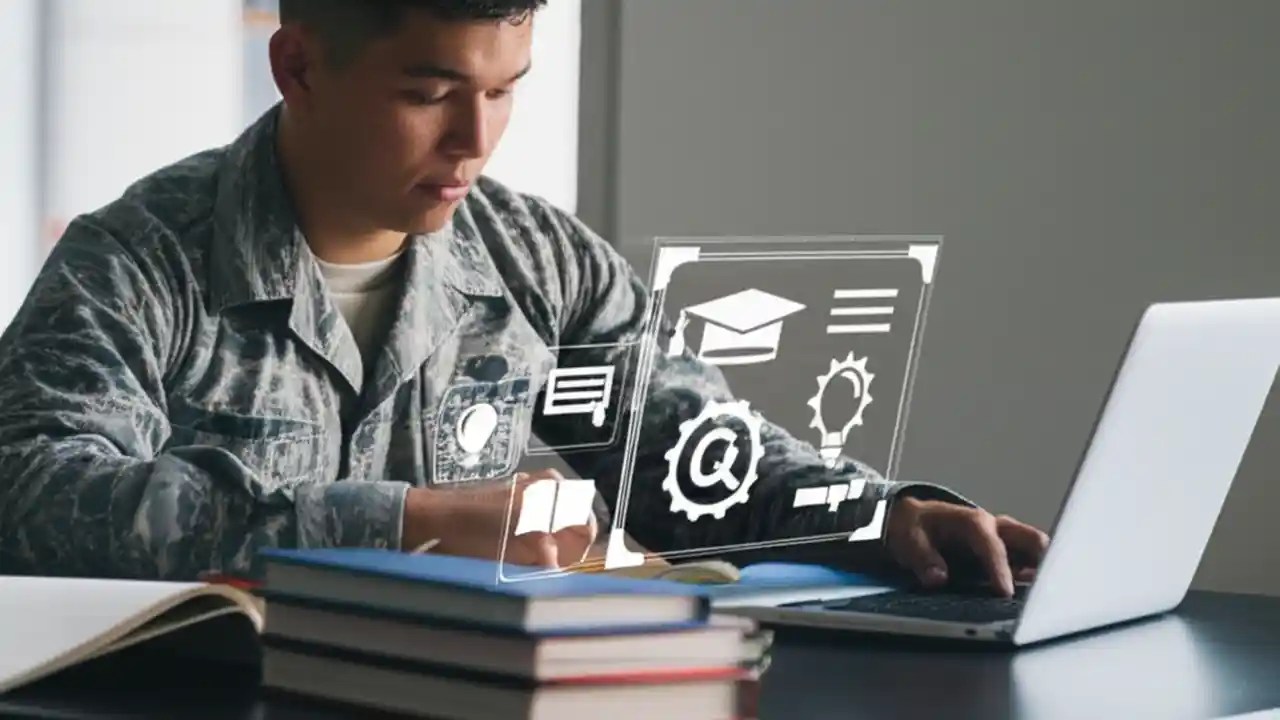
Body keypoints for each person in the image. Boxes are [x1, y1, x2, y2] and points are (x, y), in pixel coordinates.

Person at [0, 0, 1047, 596]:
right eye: (428, 94)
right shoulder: (135, 266)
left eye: (503, 91)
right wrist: (399, 522)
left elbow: (687, 459)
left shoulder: (537, 263)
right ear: (298, 67)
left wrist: (877, 516)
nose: (474, 142)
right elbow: (37, 500)